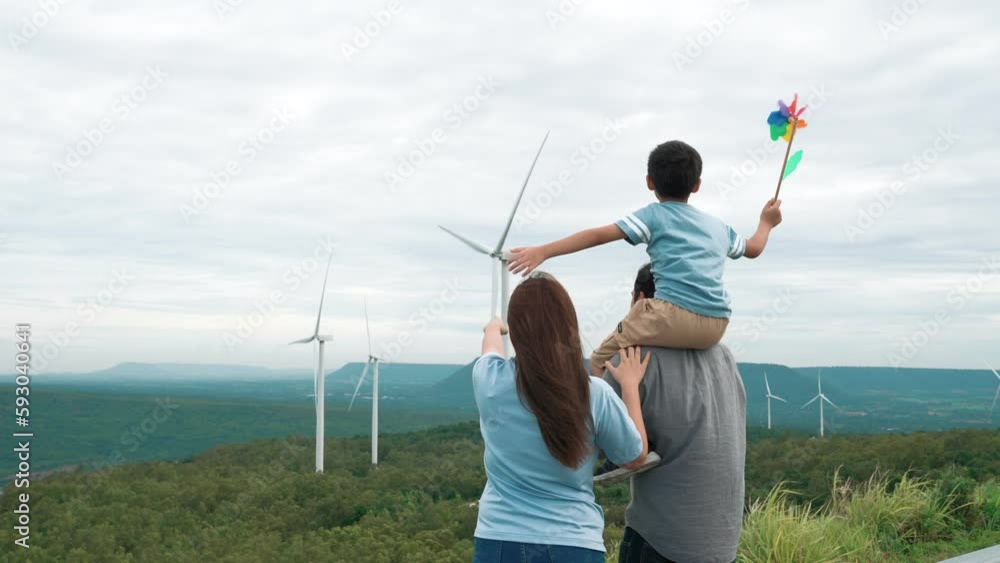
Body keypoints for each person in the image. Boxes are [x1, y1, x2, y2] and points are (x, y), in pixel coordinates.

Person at [506, 140, 782, 375]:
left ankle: (612, 422)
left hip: (671, 318)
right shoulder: (719, 227)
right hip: (716, 324)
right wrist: (766, 222)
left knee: (601, 360)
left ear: (650, 182)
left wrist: (544, 251)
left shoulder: (653, 215)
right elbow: (754, 248)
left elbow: (597, 235)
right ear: (697, 185)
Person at [472, 271, 651, 562]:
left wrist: (493, 328)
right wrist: (630, 387)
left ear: (517, 331)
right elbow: (635, 455)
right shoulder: (595, 394)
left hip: (499, 541)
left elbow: (490, 349)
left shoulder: (489, 381)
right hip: (574, 542)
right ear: (569, 328)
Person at [601, 264, 747, 563]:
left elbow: (592, 447)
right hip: (723, 545)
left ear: (641, 301)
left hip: (661, 542)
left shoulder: (631, 359)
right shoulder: (724, 356)